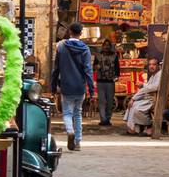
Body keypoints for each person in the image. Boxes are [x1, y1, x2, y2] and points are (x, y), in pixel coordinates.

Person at [51, 23, 95, 151]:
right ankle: (78, 142)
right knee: (78, 114)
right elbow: (88, 71)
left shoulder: (61, 47)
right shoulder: (85, 49)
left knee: (67, 113)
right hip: (80, 87)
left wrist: (53, 87)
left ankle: (70, 131)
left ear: (70, 31)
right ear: (81, 33)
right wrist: (91, 90)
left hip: (66, 86)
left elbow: (56, 69)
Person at [94, 36, 120, 127]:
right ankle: (103, 119)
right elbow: (94, 67)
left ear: (110, 46)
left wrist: (116, 77)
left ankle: (108, 119)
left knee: (109, 101)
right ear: (102, 46)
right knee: (101, 101)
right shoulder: (98, 55)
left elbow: (117, 69)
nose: (106, 47)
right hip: (100, 81)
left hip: (110, 81)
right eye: (105, 45)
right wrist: (96, 67)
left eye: (108, 45)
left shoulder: (114, 56)